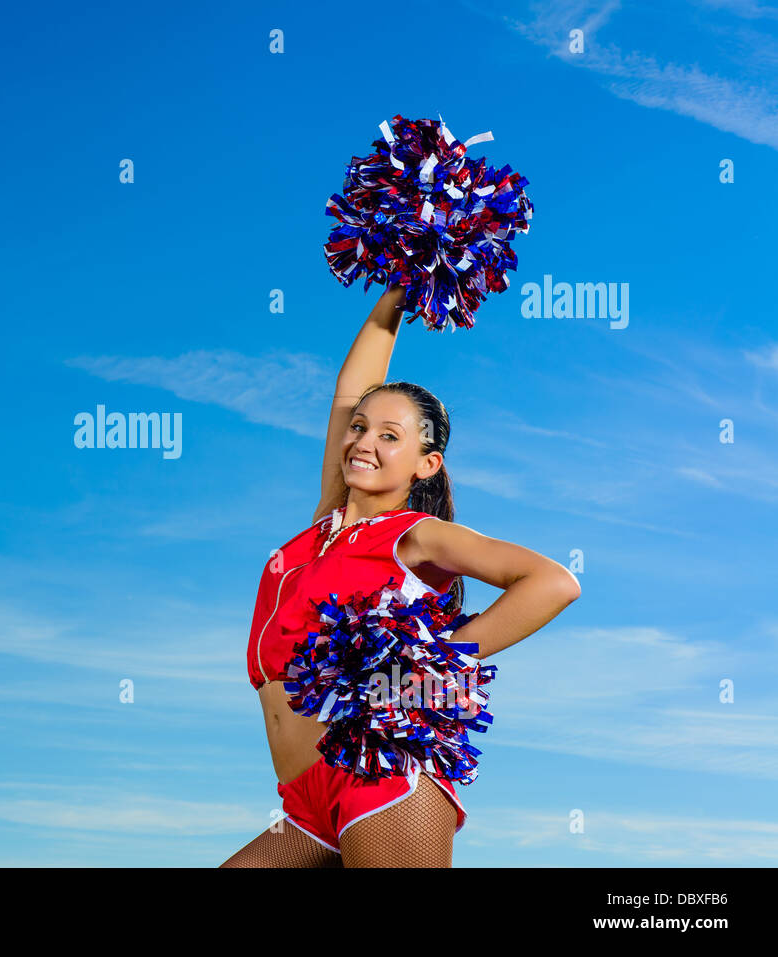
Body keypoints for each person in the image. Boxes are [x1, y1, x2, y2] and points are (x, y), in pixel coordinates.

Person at [221, 285, 581, 868]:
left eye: (390, 436)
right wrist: (395, 292)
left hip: (380, 775)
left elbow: (553, 582)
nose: (364, 441)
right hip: (305, 803)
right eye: (359, 428)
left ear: (426, 464)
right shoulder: (324, 526)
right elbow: (348, 389)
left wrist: (436, 658)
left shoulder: (415, 535)